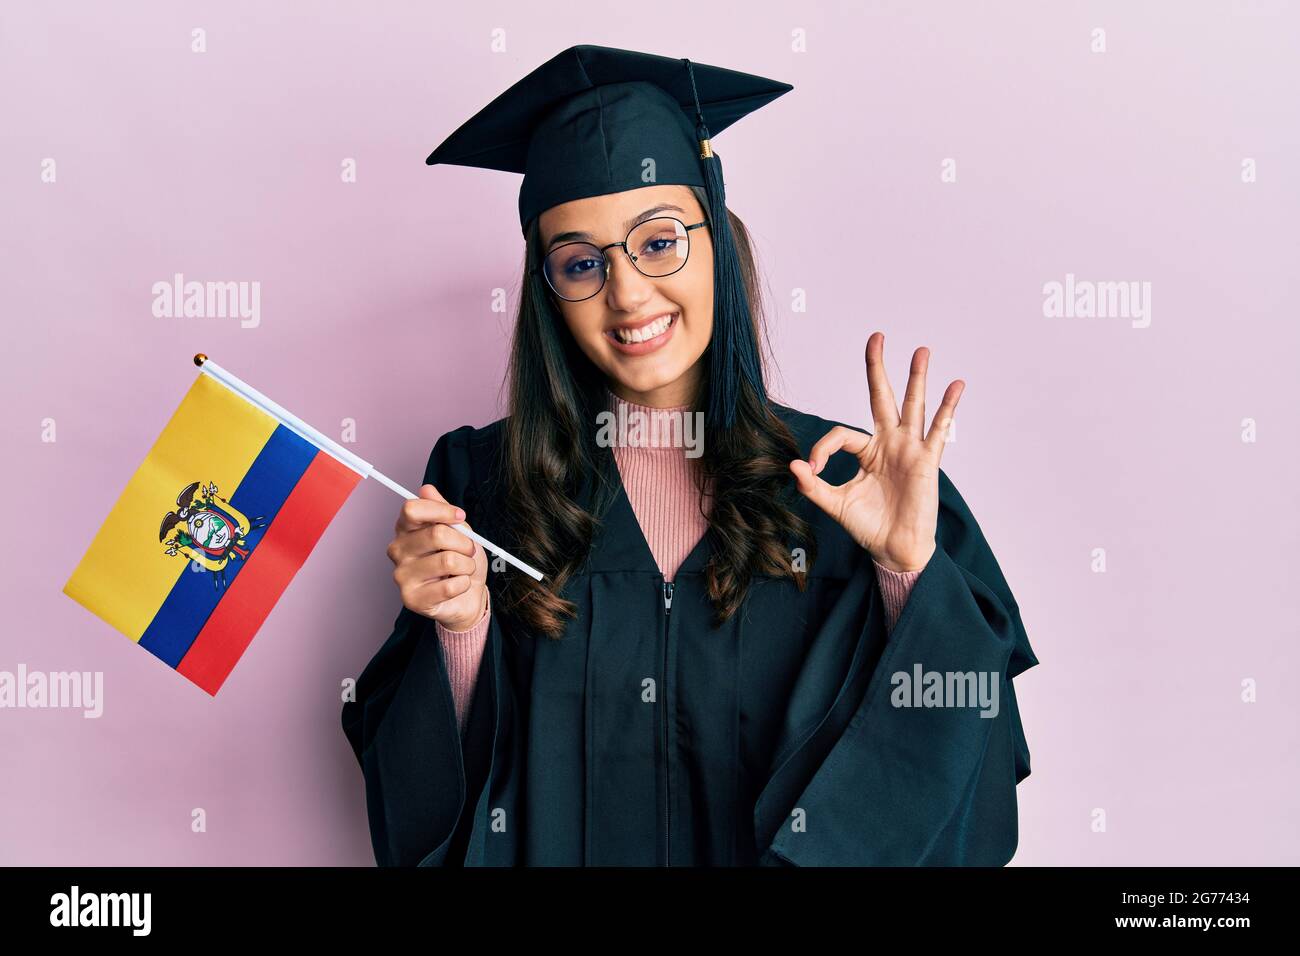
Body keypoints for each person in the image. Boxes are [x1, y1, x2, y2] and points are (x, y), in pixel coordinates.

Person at [341, 44, 1038, 866]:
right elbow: (418, 807)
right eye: (581, 262)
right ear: (547, 293)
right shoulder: (481, 492)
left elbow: (970, 774)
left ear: (718, 239)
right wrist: (458, 634)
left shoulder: (851, 483)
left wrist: (907, 578)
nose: (628, 292)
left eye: (660, 240)